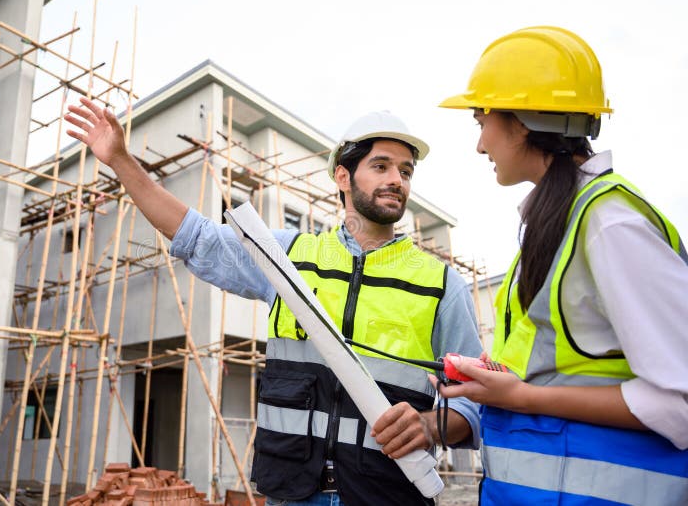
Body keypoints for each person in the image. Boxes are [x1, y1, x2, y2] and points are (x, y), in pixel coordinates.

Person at [64, 104, 483, 506]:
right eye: (381, 166)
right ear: (342, 175)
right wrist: (120, 159)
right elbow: (197, 237)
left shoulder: (441, 284)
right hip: (294, 494)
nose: (397, 179)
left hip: (387, 494)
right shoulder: (289, 257)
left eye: (405, 171)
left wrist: (430, 426)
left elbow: (473, 404)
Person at [437, 25, 688, 505]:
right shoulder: (560, 224)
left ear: (523, 120)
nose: (480, 144)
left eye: (480, 121)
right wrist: (500, 379)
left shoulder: (608, 226)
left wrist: (523, 398)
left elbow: (680, 402)